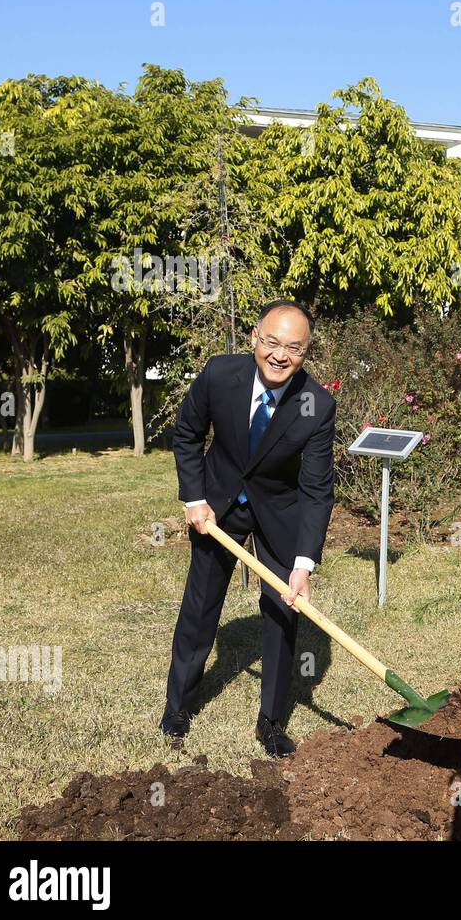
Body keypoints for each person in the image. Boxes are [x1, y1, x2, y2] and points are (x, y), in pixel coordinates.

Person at [161, 300, 336, 757]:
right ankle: (179, 707)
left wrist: (303, 564)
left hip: (281, 513)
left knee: (282, 613)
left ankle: (272, 722)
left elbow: (317, 489)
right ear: (255, 339)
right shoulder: (220, 375)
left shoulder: (316, 405)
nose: (280, 355)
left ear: (306, 352)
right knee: (200, 607)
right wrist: (194, 497)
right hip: (218, 506)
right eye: (272, 342)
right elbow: (187, 433)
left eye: (294, 348)